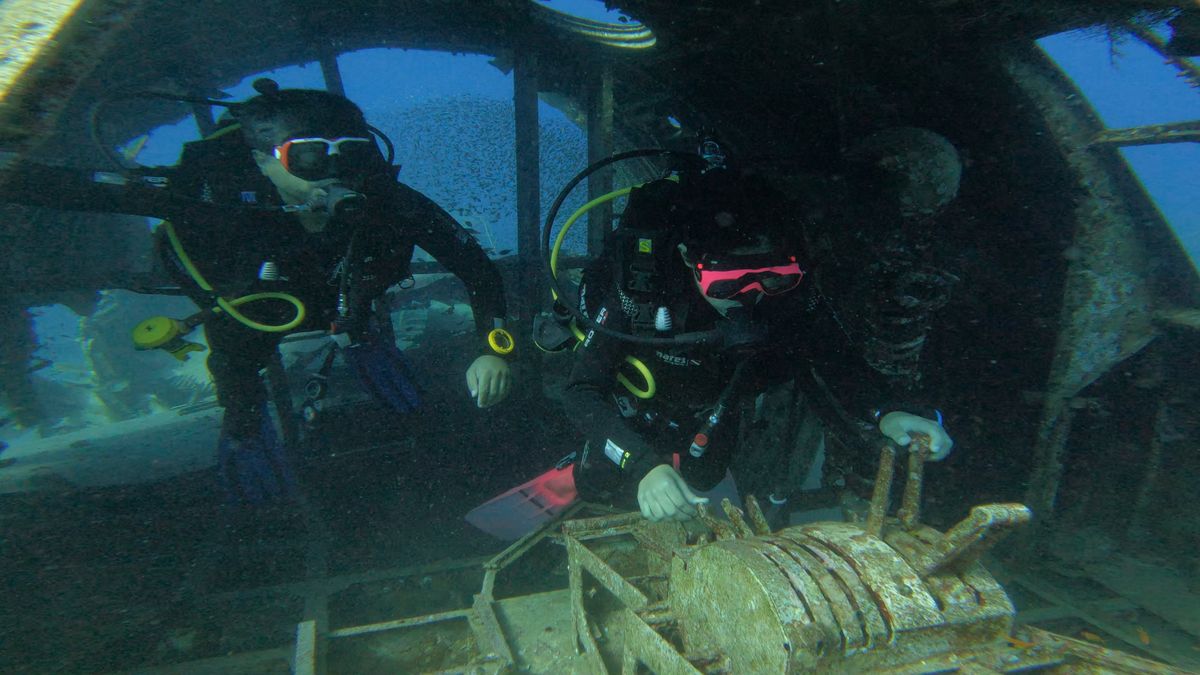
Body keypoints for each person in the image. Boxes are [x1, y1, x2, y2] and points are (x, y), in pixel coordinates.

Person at [0, 79, 515, 502]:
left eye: (352, 155)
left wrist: (491, 346)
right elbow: (77, 190)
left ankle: (360, 338)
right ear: (263, 160)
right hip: (248, 315)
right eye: (309, 158)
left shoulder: (387, 200)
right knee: (238, 365)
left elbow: (475, 267)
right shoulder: (210, 198)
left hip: (347, 300)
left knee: (356, 308)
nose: (334, 174)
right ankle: (247, 434)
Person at [562, 155, 953, 522]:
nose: (751, 298)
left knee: (705, 477)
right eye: (727, 285)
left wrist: (887, 410)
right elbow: (581, 390)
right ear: (686, 260)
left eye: (774, 278)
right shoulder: (639, 293)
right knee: (600, 486)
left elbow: (835, 358)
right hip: (638, 401)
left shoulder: (791, 298)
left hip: (717, 403)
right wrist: (643, 464)